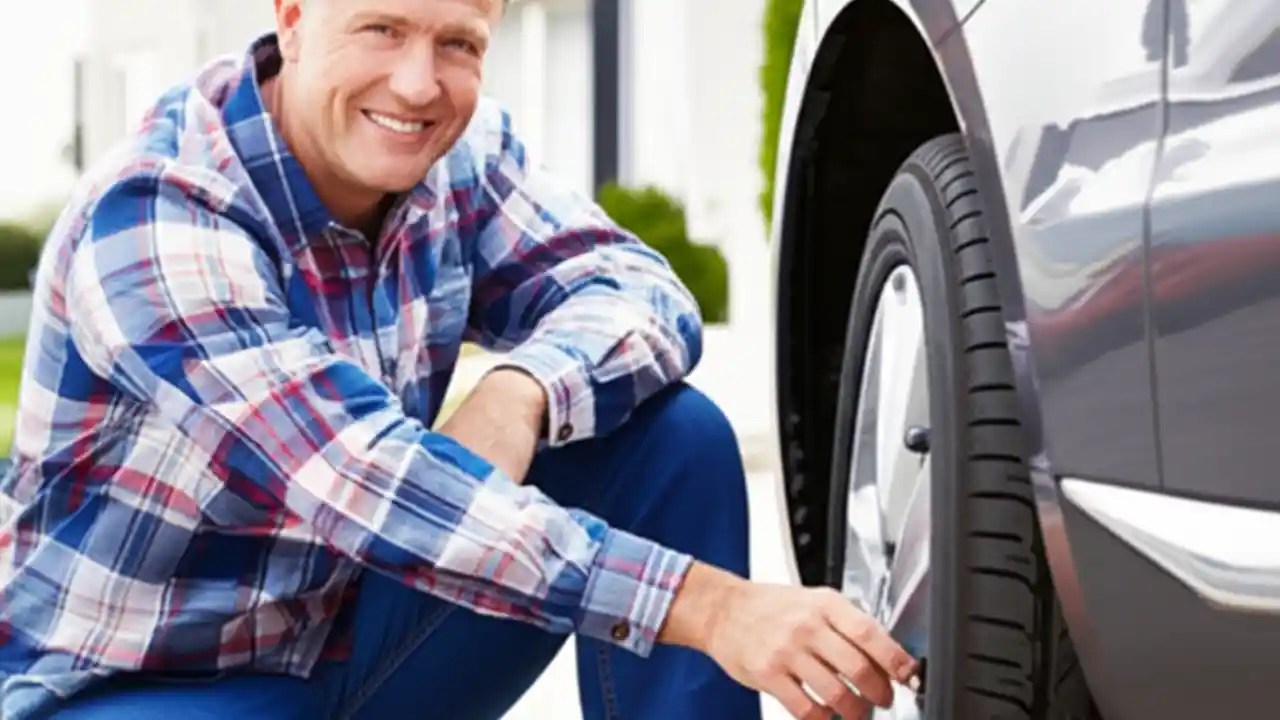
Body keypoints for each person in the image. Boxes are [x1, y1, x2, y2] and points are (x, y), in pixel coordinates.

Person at [0, 0, 919, 718]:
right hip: (136, 689)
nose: (417, 84)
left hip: (346, 643)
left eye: (459, 44)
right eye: (381, 29)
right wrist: (717, 611)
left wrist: (522, 392)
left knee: (672, 437)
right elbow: (367, 484)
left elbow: (642, 291)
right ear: (292, 20)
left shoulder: (455, 162)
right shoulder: (158, 215)